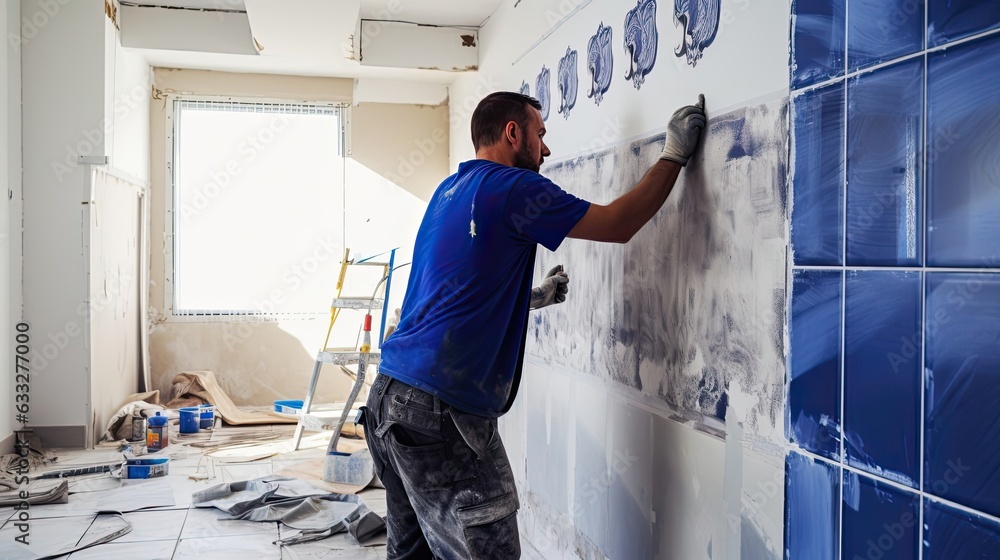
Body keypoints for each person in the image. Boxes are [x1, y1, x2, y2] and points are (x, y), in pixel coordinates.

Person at [362, 91, 706, 559]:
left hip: (389, 398)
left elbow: (451, 294)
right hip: (440, 413)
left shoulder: (449, 192)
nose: (544, 149)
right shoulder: (515, 188)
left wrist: (533, 297)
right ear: (512, 133)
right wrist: (673, 157)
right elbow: (617, 223)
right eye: (540, 135)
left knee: (412, 555)